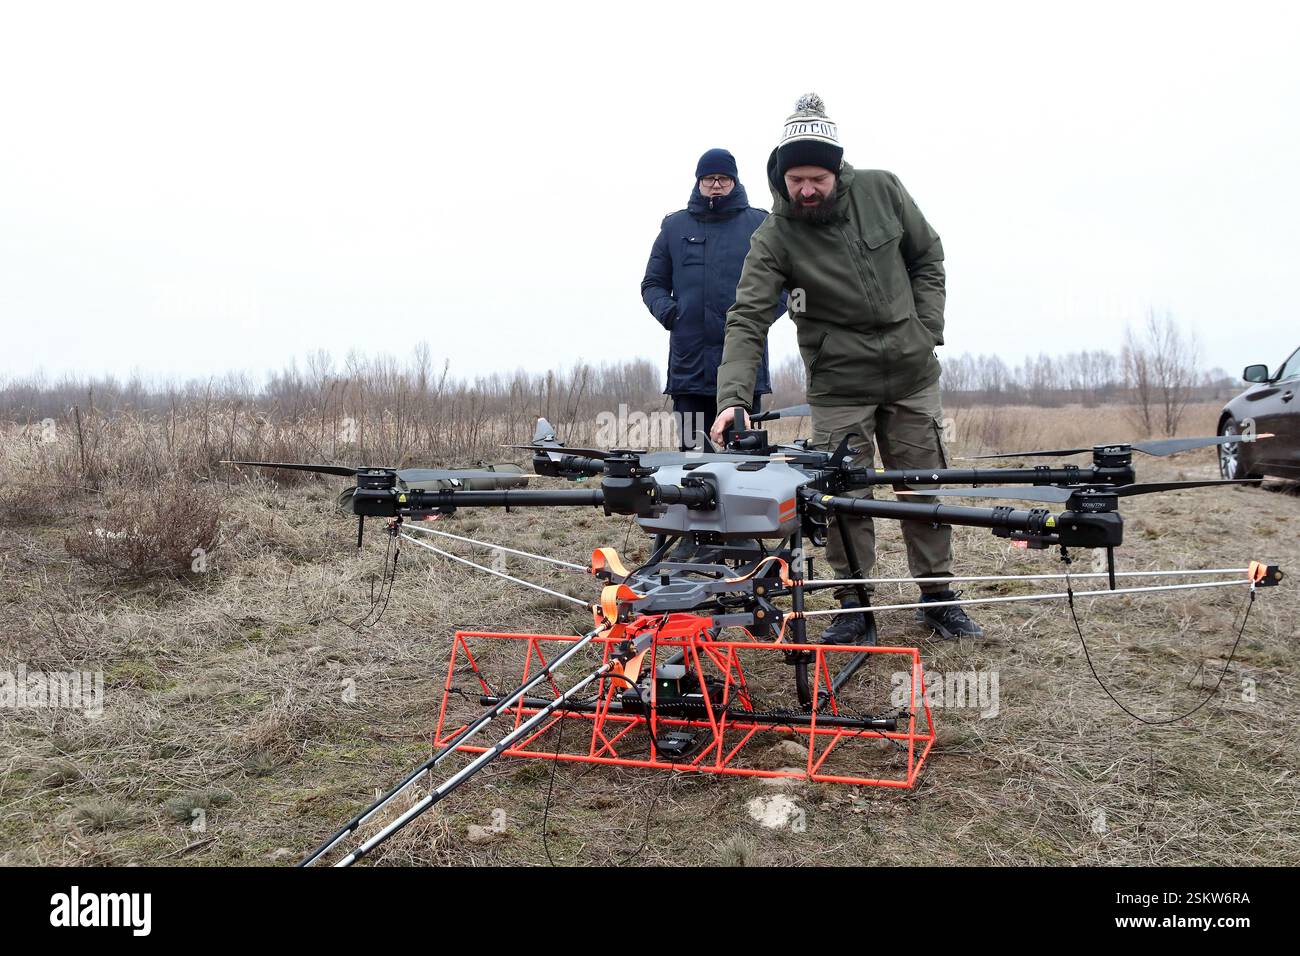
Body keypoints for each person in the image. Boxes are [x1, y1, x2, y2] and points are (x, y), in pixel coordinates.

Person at [709, 94, 982, 642]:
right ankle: (854, 604)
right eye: (796, 180)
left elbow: (928, 256)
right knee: (842, 496)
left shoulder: (884, 189)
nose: (807, 190)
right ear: (782, 178)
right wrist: (733, 398)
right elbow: (746, 318)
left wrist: (927, 329)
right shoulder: (774, 237)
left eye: (818, 178)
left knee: (922, 488)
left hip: (911, 376)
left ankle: (937, 598)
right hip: (838, 386)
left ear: (838, 169)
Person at [641, 148, 780, 450]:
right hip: (689, 367)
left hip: (743, 369)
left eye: (723, 178)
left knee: (745, 458)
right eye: (709, 179)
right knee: (692, 459)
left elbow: (784, 283)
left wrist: (760, 318)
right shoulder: (674, 227)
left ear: (734, 181)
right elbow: (652, 284)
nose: (716, 185)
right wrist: (671, 314)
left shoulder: (760, 224)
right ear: (698, 182)